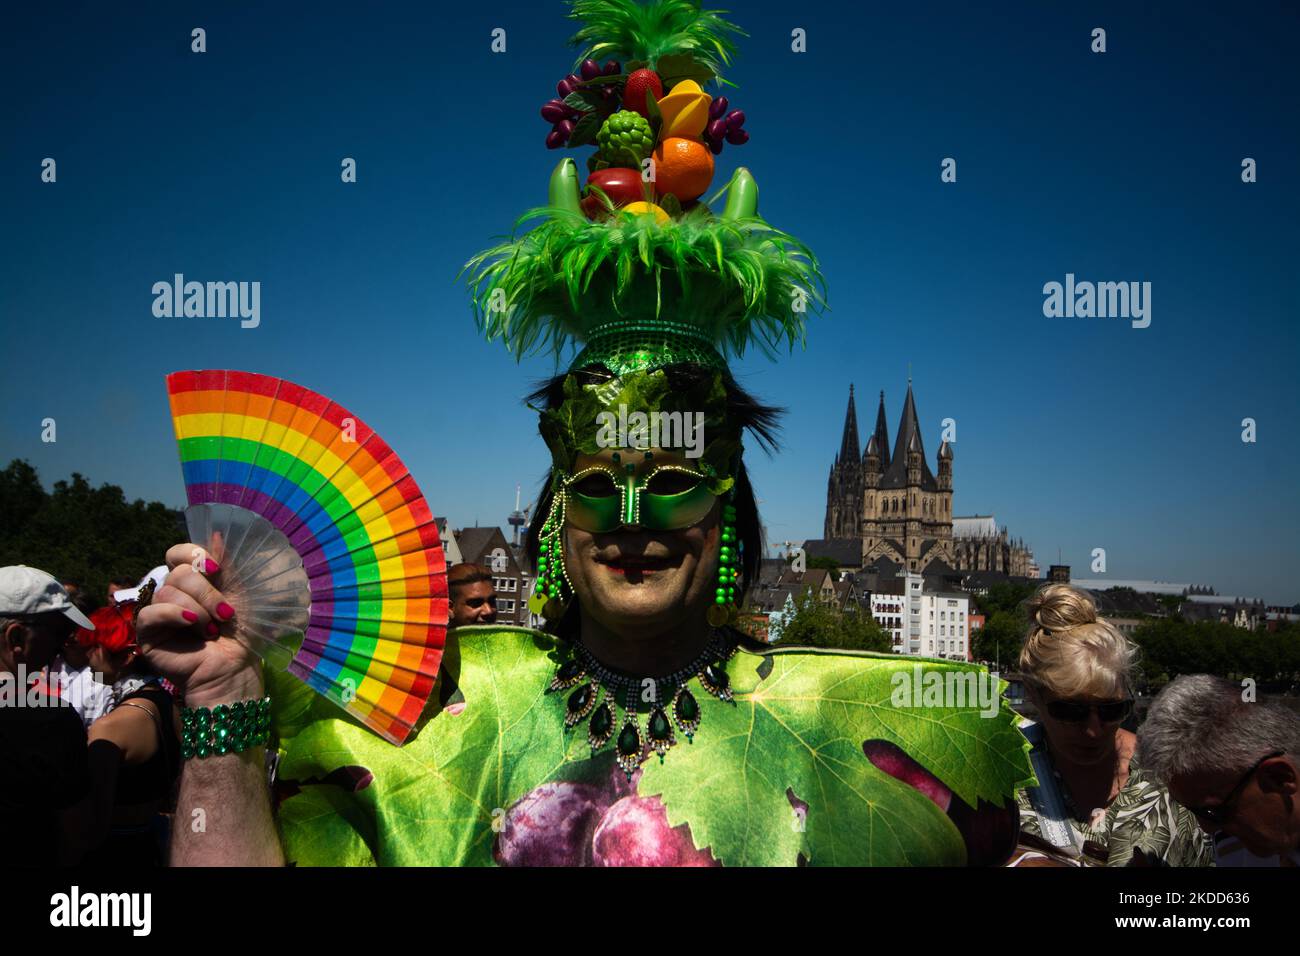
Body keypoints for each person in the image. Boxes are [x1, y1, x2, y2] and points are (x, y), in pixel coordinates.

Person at [136, 0, 1032, 867]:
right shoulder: (431, 714)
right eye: (600, 481)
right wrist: (220, 705)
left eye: (674, 476)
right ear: (560, 504)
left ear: (729, 503)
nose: (632, 516)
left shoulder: (865, 732)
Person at [1013, 583, 1212, 866]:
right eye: (1071, 711)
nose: (1094, 729)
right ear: (1032, 693)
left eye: (1112, 709)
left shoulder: (1171, 778)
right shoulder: (1001, 777)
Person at [1139, 674, 1299, 866]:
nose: (1207, 829)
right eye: (1195, 811)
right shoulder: (1238, 846)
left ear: (1279, 777)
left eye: (1213, 811)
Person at [67, 603, 181, 866]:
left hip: (113, 854)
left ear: (127, 656)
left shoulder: (111, 728)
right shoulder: (168, 704)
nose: (87, 655)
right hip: (154, 845)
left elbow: (92, 821)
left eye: (94, 646)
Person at [0, 565, 95, 866]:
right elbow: (76, 835)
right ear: (16, 638)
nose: (61, 648)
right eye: (59, 634)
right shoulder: (51, 720)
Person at [51, 594, 115, 729]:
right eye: (65, 627)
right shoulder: (41, 666)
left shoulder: (103, 678)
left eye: (77, 627)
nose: (70, 635)